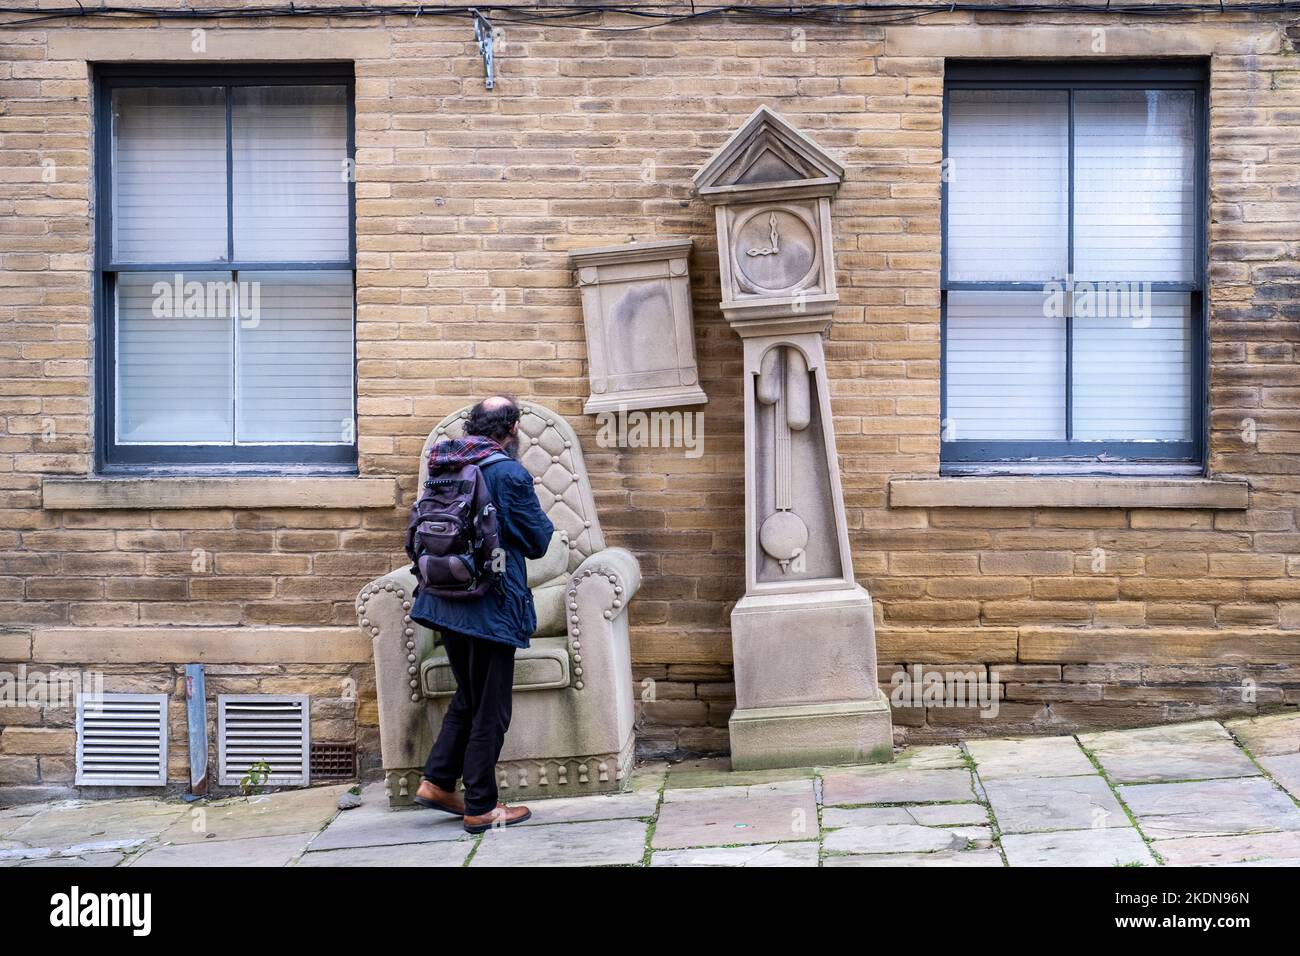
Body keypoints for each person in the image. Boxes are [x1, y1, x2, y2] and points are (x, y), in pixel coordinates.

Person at [410, 396, 555, 833]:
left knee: (470, 697)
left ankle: (436, 782)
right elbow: (538, 541)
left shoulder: (445, 464)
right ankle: (481, 806)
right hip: (490, 605)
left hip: (445, 598)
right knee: (491, 707)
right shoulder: (509, 472)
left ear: (474, 427)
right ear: (511, 431)